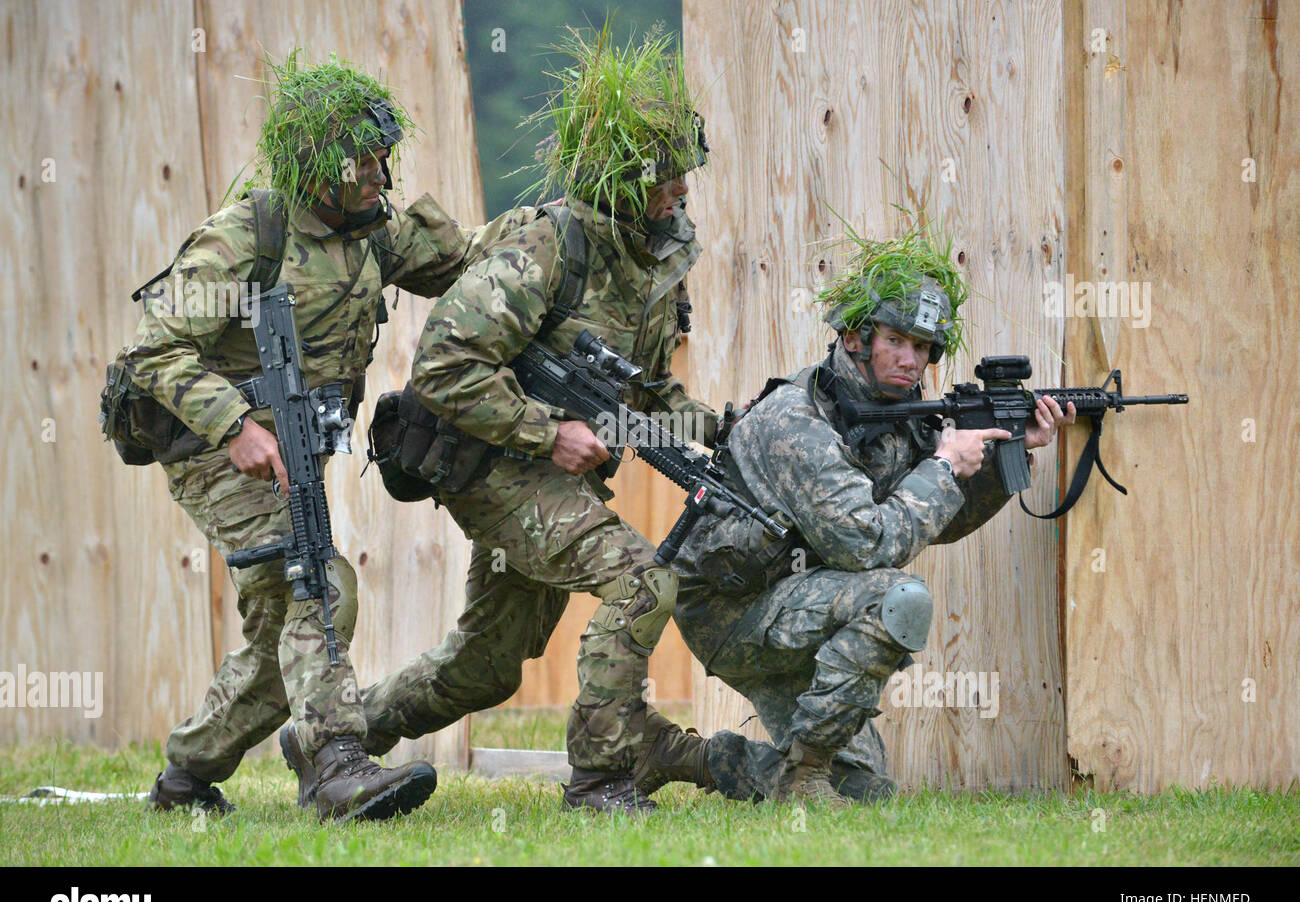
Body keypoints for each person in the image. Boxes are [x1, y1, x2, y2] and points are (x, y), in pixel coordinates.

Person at [279, 25, 719, 816]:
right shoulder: (553, 244)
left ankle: (340, 728)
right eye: (666, 179)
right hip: (491, 465)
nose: (680, 192)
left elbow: (648, 395)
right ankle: (601, 778)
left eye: (684, 176)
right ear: (623, 179)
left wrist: (722, 427)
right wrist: (549, 432)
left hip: (546, 473)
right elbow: (445, 366)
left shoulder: (651, 261)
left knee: (489, 666)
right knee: (642, 578)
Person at [122, 53, 479, 822]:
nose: (384, 173)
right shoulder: (252, 232)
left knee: (280, 632)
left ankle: (187, 773)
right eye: (368, 161)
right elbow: (154, 348)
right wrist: (233, 427)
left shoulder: (371, 236)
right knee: (318, 581)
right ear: (324, 165)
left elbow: (471, 262)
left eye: (387, 158)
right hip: (216, 453)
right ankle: (335, 765)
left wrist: (553, 227)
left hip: (293, 451)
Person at [630, 224, 1076, 804]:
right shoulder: (796, 419)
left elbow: (932, 521)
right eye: (897, 339)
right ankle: (804, 776)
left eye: (923, 348)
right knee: (896, 597)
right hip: (730, 610)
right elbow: (866, 548)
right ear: (854, 335)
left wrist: (994, 462)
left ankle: (681, 755)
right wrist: (942, 466)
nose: (911, 360)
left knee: (866, 793)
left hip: (803, 599)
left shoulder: (893, 415)